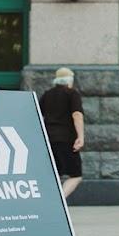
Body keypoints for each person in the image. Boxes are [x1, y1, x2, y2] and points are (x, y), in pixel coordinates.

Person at [39, 67, 85, 198]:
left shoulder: (47, 94)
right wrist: (80, 137)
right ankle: (60, 200)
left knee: (55, 173)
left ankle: (51, 200)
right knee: (76, 175)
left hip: (49, 140)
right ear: (70, 80)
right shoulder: (72, 93)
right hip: (66, 140)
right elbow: (77, 115)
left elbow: (38, 115)